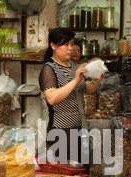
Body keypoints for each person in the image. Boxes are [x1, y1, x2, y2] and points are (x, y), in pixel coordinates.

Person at [39, 28, 105, 168]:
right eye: (66, 45)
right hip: (62, 131)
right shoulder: (49, 69)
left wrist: (96, 81)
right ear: (53, 46)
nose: (71, 48)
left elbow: (86, 89)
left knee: (82, 172)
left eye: (72, 44)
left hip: (80, 128)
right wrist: (75, 80)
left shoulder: (73, 66)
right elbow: (52, 98)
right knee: (66, 175)